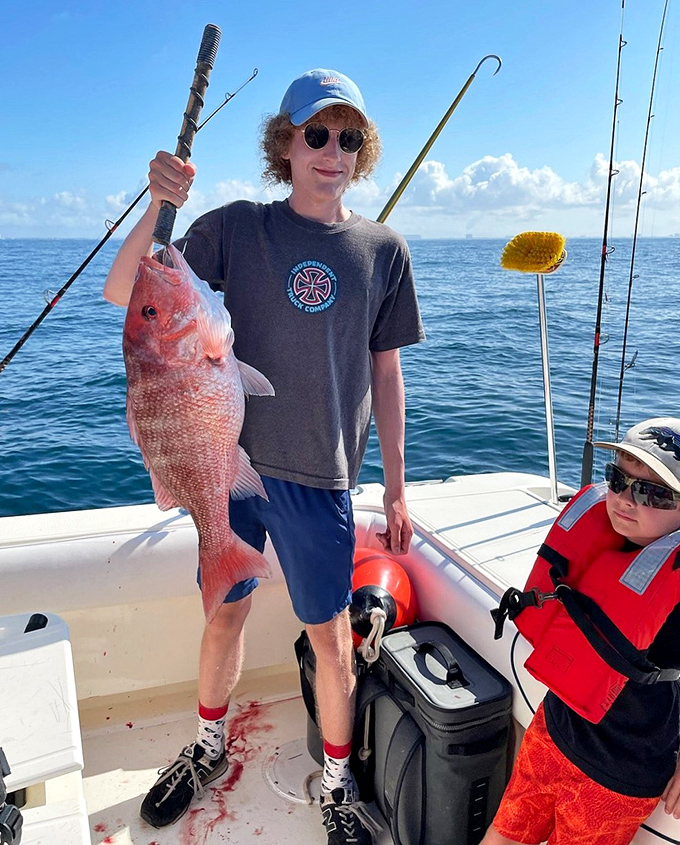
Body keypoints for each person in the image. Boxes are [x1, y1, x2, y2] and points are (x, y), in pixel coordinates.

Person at [103, 68, 425, 844]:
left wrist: (398, 489)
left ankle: (338, 784)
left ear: (362, 151)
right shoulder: (237, 228)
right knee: (225, 613)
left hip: (326, 478)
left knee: (331, 636)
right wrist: (158, 200)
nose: (332, 151)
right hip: (232, 464)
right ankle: (209, 745)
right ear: (285, 145)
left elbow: (388, 372)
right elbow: (127, 290)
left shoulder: (384, 250)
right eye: (316, 134)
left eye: (349, 138)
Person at [483, 417, 680, 845]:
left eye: (653, 493)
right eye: (618, 479)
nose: (626, 499)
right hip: (552, 731)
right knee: (502, 836)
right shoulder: (598, 545)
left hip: (619, 775)